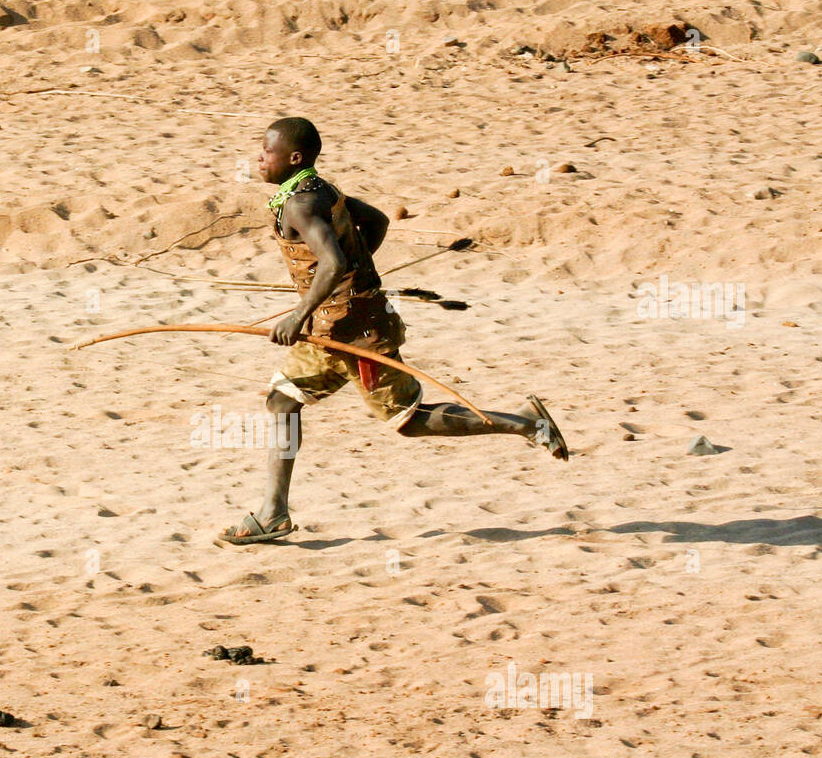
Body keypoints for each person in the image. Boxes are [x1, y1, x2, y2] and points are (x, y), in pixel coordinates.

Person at [221, 117, 568, 545]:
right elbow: (378, 222)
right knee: (282, 400)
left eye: (266, 151)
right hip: (334, 324)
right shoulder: (320, 190)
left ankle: (524, 424)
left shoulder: (301, 205)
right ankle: (273, 512)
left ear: (294, 158)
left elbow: (332, 263)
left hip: (356, 332)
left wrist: (301, 312)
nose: (259, 157)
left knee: (411, 421)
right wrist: (348, 283)